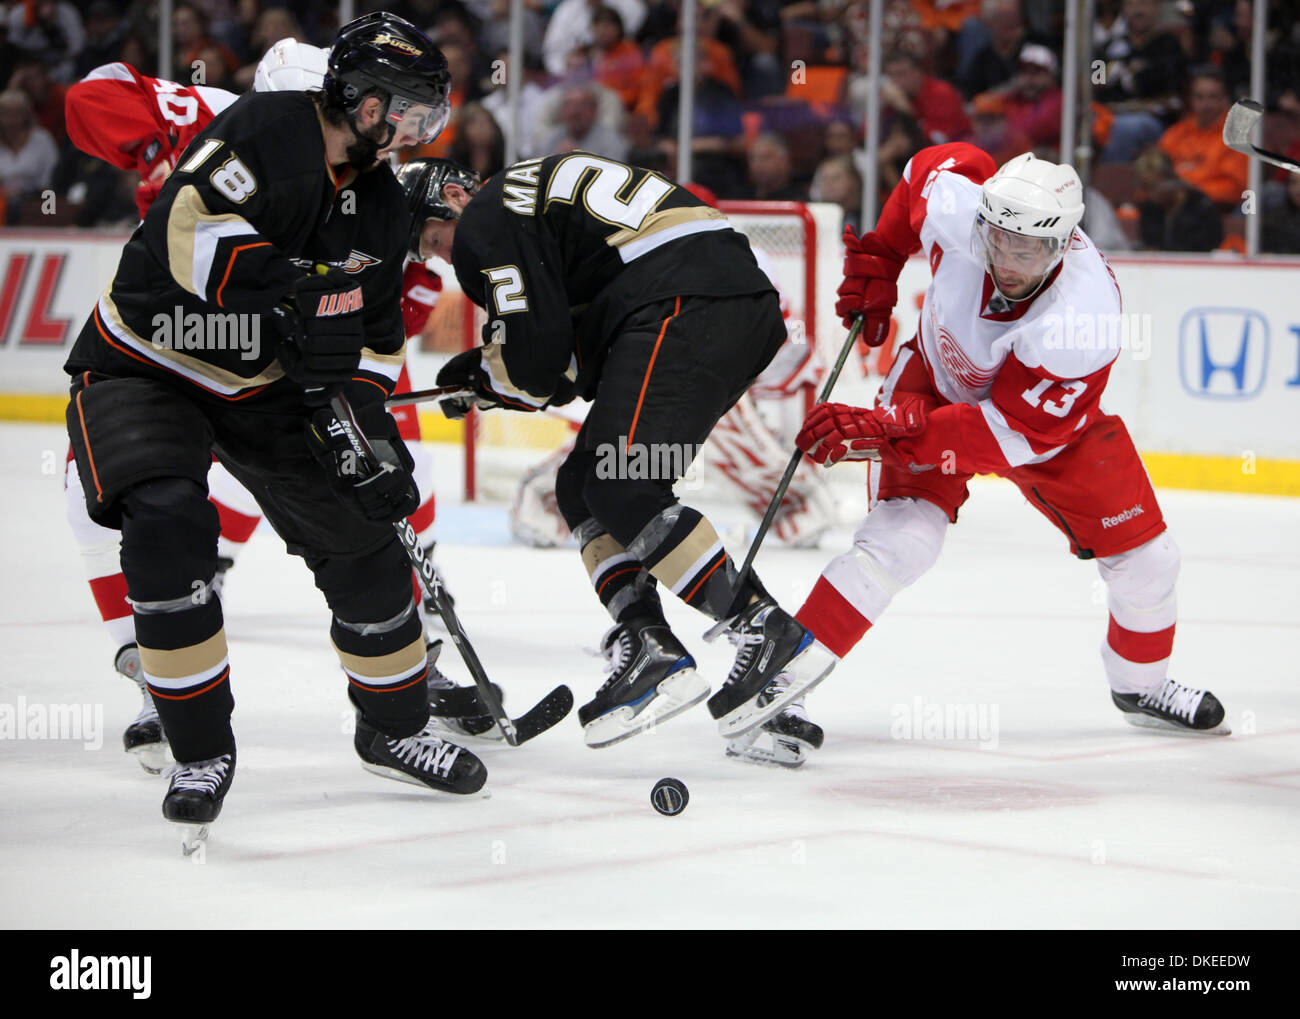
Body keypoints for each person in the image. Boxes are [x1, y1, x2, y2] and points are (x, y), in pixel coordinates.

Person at [62, 13, 485, 841]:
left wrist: (362, 421)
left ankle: (394, 727)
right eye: (409, 111)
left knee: (366, 535)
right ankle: (197, 748)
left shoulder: (381, 201)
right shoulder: (264, 129)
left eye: (429, 118)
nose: (419, 132)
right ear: (362, 101)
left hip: (263, 387)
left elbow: (374, 335)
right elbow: (187, 231)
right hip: (150, 360)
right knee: (166, 524)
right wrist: (290, 286)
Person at [794, 144, 1228, 737]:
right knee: (903, 538)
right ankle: (781, 681)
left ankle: (1142, 687)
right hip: (936, 381)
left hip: (1041, 428)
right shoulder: (957, 204)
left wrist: (886, 431)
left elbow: (1005, 435)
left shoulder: (1083, 318)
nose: (1008, 259)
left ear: (1064, 242)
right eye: (998, 238)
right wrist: (883, 257)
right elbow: (928, 169)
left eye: (1029, 247)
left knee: (1150, 562)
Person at [415, 153, 837, 751]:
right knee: (582, 485)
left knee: (622, 484)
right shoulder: (530, 206)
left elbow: (534, 368)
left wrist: (488, 377)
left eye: (435, 238)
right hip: (714, 304)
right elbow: (563, 358)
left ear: (454, 197)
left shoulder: (486, 216)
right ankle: (650, 643)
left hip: (684, 304)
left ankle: (767, 631)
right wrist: (488, 376)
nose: (442, 256)